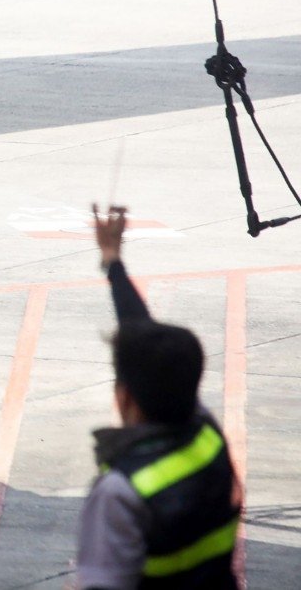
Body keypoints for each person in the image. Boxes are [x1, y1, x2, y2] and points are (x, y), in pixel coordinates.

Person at [76, 204, 242, 589]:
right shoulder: (206, 435)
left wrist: (112, 260)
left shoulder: (122, 492)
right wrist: (114, 264)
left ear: (124, 397)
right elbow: (143, 334)